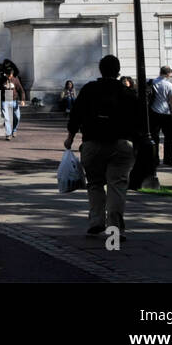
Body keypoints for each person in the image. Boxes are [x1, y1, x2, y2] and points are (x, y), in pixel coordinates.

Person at [64, 54, 140, 237]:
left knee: (95, 183)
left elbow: (76, 114)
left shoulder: (90, 89)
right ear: (118, 70)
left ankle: (97, 220)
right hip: (121, 143)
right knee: (117, 185)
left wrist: (71, 137)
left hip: (93, 142)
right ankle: (115, 228)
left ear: (101, 69)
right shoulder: (127, 92)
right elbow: (137, 121)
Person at [149, 66, 172, 166]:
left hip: (153, 112)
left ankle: (154, 159)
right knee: (169, 137)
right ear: (169, 74)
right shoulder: (170, 86)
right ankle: (168, 159)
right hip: (166, 113)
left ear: (160, 72)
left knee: (154, 136)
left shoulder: (152, 82)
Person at [0, 66, 25, 140]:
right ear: (6, 74)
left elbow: (21, 90)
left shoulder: (15, 80)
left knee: (17, 117)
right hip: (4, 101)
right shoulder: (2, 80)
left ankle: (14, 130)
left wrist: (22, 100)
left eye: (11, 75)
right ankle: (8, 134)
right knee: (6, 118)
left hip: (14, 101)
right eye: (8, 75)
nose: (10, 76)